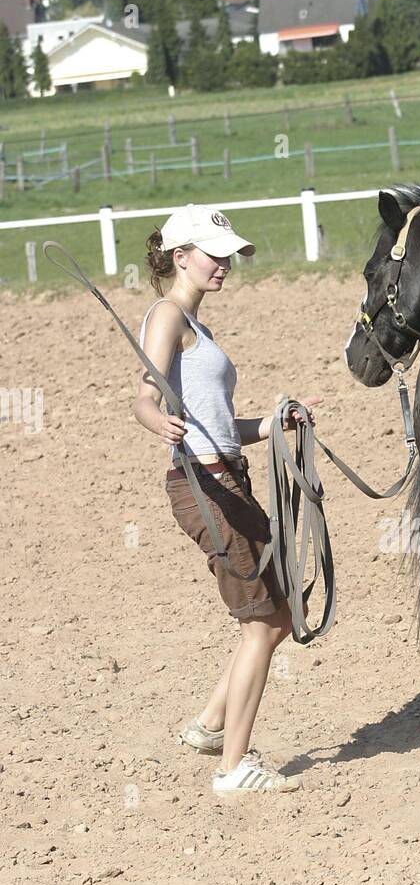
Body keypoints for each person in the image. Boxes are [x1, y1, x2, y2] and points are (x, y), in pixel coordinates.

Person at [132, 204, 321, 793]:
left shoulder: (198, 326)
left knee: (279, 611)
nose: (226, 265)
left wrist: (270, 424)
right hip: (202, 486)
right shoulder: (167, 315)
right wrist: (154, 420)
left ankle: (213, 724)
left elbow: (216, 422)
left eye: (229, 255)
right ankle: (233, 768)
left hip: (227, 477)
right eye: (216, 255)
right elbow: (143, 395)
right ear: (181, 256)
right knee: (265, 623)